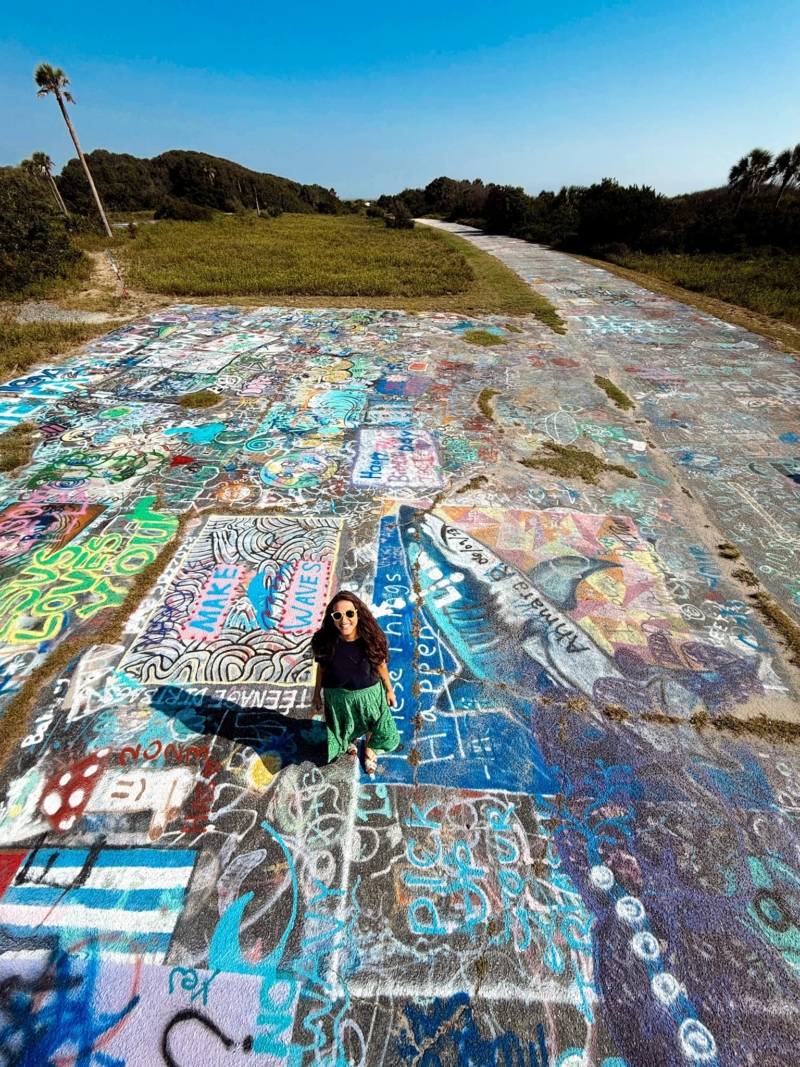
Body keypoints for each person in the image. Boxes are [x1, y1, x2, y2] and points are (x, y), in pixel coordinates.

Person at [311, 590, 401, 774]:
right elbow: (321, 670)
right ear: (332, 617)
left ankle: (369, 748)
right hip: (338, 698)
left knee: (371, 724)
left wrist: (390, 690)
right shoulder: (325, 641)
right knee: (345, 724)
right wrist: (316, 695)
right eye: (338, 615)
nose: (344, 620)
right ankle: (348, 740)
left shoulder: (372, 639)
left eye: (349, 613)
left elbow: (381, 665)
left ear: (358, 613)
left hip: (368, 695)